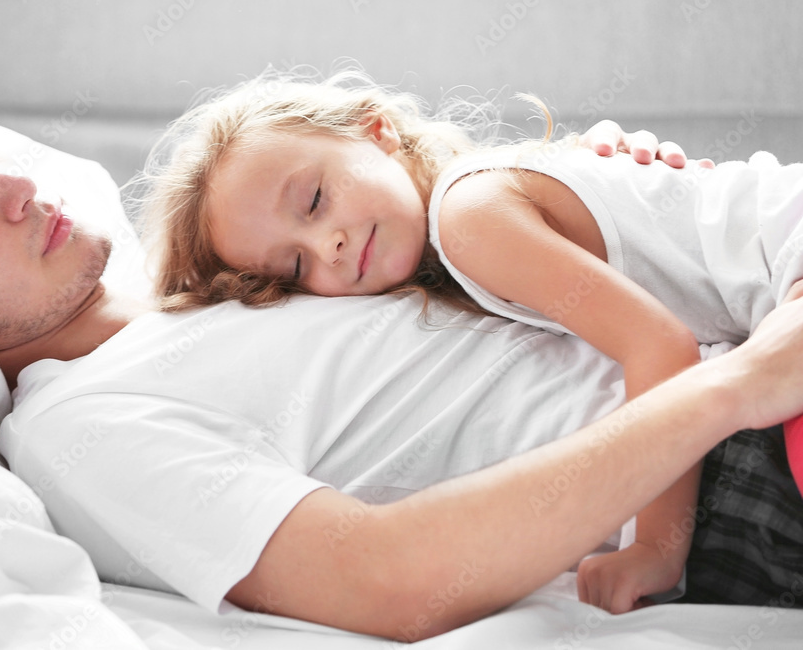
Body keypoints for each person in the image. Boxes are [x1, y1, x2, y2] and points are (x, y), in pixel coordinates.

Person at [0, 80, 803, 642]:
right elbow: (390, 578)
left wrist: (604, 191)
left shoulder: (218, 266)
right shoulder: (81, 430)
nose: (13, 185)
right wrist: (730, 388)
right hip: (736, 469)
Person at [137, 70, 803, 613]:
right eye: (295, 268)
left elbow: (662, 345)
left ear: (378, 131)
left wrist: (655, 547)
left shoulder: (469, 216)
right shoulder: (463, 233)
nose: (328, 246)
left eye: (312, 200)